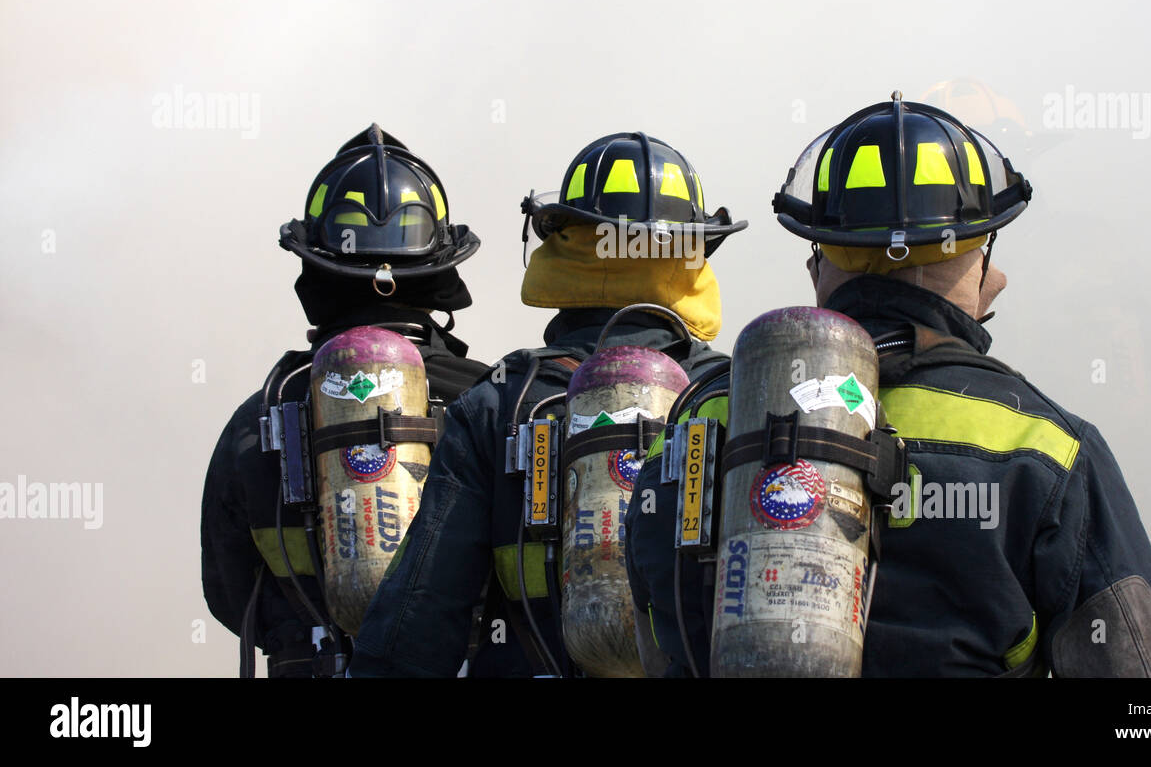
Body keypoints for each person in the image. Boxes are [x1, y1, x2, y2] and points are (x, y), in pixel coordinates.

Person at [627, 92, 1151, 677]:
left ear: (819, 262)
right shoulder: (1046, 448)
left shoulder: (704, 423)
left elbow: (652, 630)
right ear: (976, 259)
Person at [348, 132, 746, 677]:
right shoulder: (731, 395)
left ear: (563, 243)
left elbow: (421, 611)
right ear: (692, 254)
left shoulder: (498, 401)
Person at [201, 125, 488, 677]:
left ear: (314, 263)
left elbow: (228, 591)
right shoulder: (489, 399)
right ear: (442, 266)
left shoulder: (262, 412)